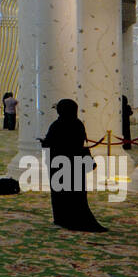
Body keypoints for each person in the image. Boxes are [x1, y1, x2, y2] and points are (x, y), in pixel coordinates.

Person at [39, 98, 106, 232]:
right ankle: (78, 218)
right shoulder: (78, 124)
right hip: (75, 163)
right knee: (76, 194)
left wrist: (44, 142)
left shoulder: (57, 125)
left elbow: (50, 143)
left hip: (59, 164)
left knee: (60, 193)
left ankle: (63, 219)